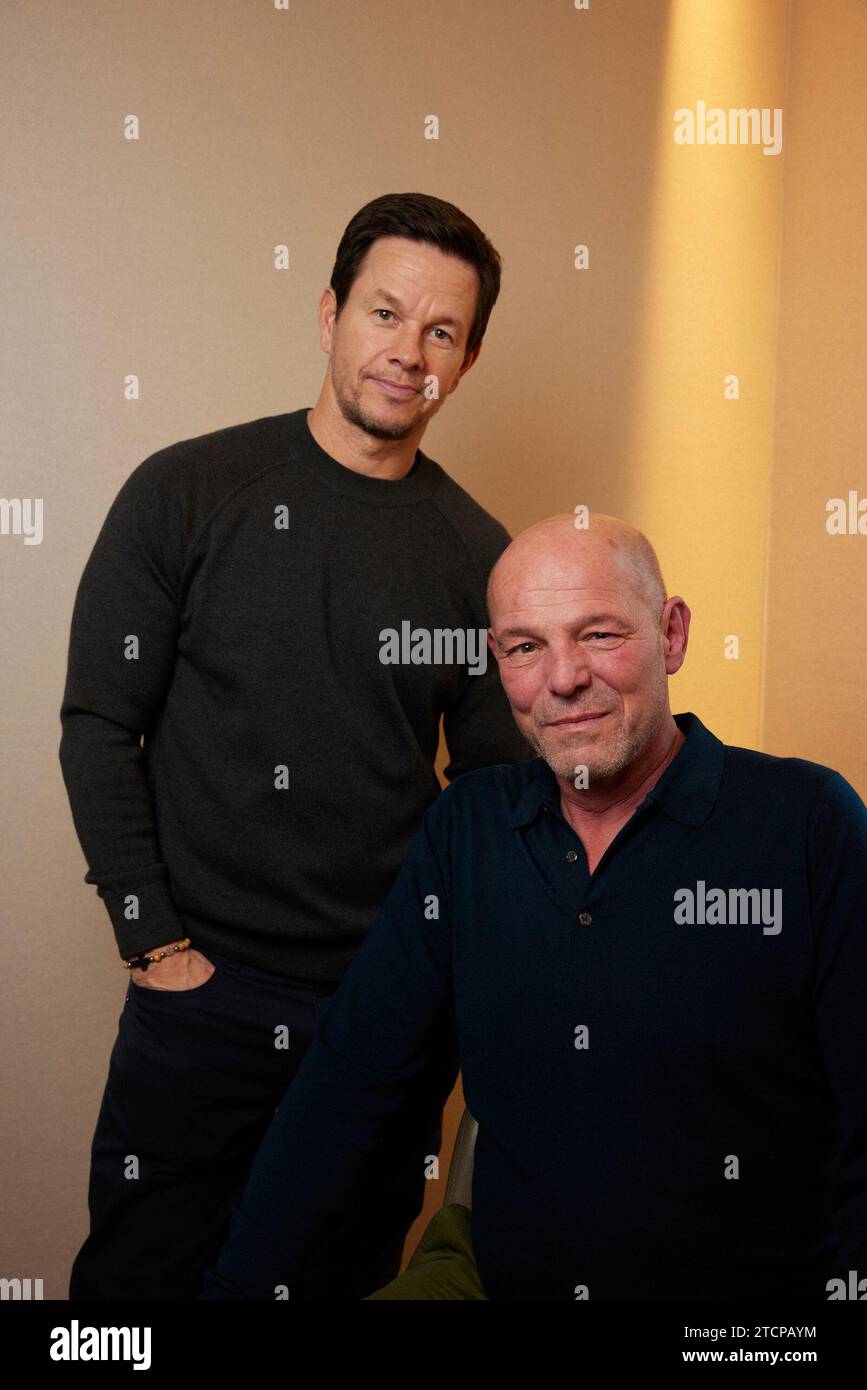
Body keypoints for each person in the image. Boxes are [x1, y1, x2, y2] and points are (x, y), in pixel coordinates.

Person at [199, 511, 867, 1300]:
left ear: (672, 635)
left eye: (598, 635)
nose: (562, 679)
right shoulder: (468, 828)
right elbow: (350, 1085)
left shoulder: (805, 823)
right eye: (525, 647)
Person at [59, 191, 530, 1300]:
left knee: (333, 1284)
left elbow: (499, 798)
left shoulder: (478, 555)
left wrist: (434, 989)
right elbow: (98, 725)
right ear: (328, 313)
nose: (407, 352)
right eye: (384, 312)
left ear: (465, 360)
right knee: (135, 1298)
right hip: (199, 1001)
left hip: (377, 1021)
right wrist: (155, 947)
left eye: (442, 332)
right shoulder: (186, 492)